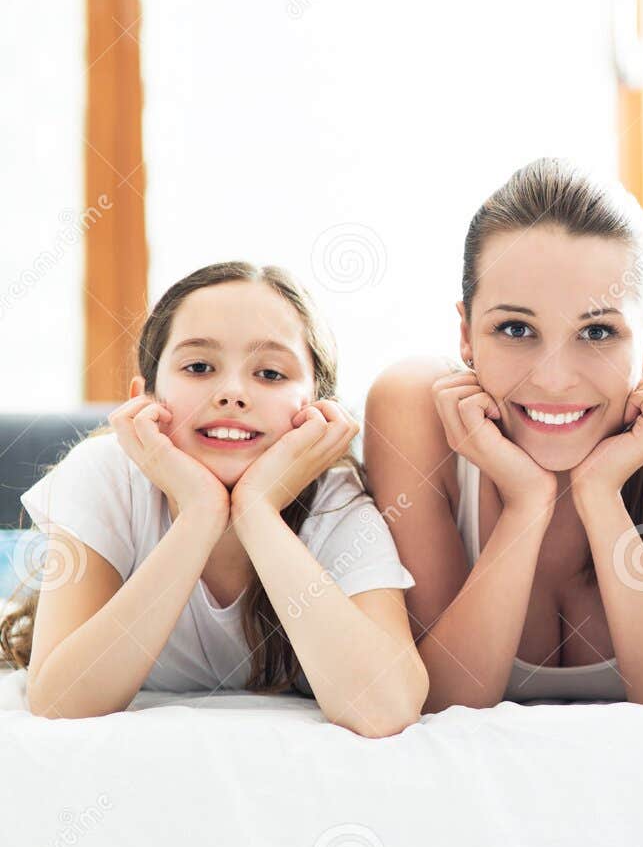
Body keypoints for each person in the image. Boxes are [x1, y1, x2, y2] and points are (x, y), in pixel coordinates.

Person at [365, 159, 643, 711]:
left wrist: (600, 496)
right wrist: (526, 504)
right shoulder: (414, 410)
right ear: (465, 334)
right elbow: (435, 704)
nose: (553, 379)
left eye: (597, 332)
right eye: (516, 329)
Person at [2, 262, 425, 737]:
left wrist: (257, 512)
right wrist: (199, 515)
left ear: (316, 410)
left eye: (270, 373)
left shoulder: (336, 501)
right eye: (199, 367)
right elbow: (60, 701)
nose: (232, 393)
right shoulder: (105, 474)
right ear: (146, 397)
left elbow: (386, 707)